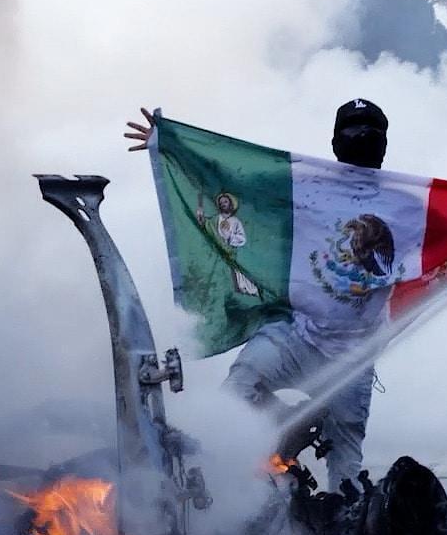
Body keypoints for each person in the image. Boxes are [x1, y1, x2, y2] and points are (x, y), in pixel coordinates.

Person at [126, 100, 391, 491]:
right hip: (298, 335)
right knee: (235, 393)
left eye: (369, 132)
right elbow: (234, 180)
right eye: (352, 131)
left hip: (353, 360)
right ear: (335, 143)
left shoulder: (406, 204)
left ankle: (339, 534)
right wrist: (172, 145)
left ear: (384, 145)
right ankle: (250, 473)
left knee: (347, 467)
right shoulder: (304, 187)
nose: (361, 140)